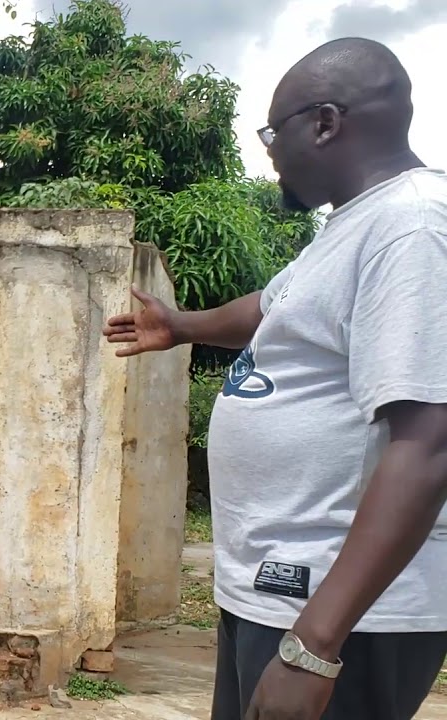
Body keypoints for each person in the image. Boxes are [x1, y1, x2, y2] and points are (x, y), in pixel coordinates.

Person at [105, 37, 447, 720]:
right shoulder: (352, 228)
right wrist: (181, 326)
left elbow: (431, 441)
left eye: (272, 129)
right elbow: (268, 308)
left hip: (339, 616)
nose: (267, 147)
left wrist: (316, 644)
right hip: (279, 595)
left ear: (325, 122)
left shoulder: (411, 227)